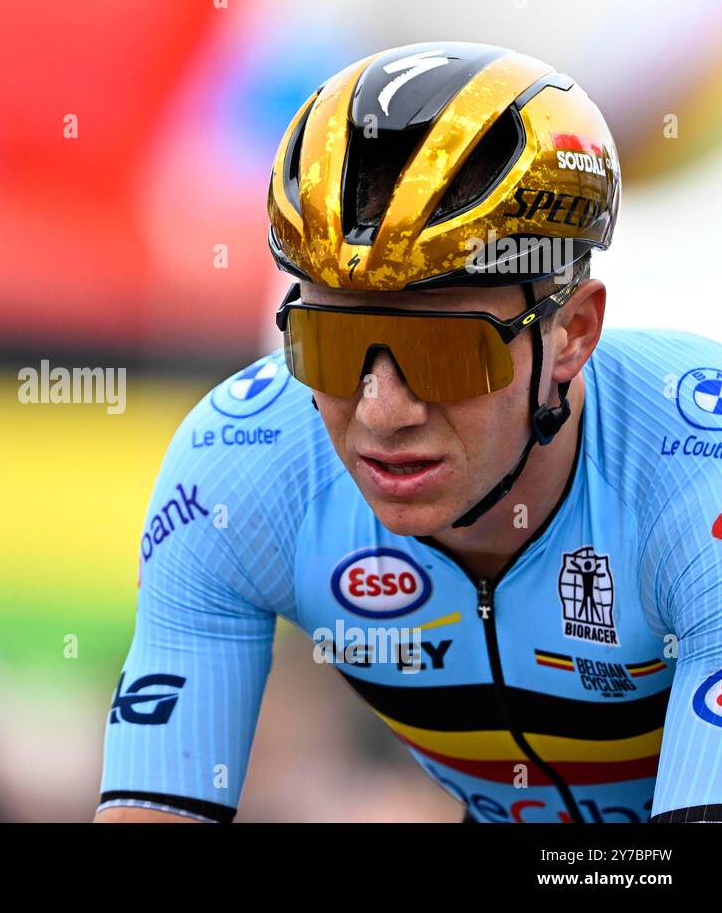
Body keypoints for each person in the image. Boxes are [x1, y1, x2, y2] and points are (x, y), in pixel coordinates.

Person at [96, 42, 722, 823]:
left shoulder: (699, 478)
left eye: (442, 354)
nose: (383, 411)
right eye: (331, 347)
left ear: (573, 334)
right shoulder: (240, 467)